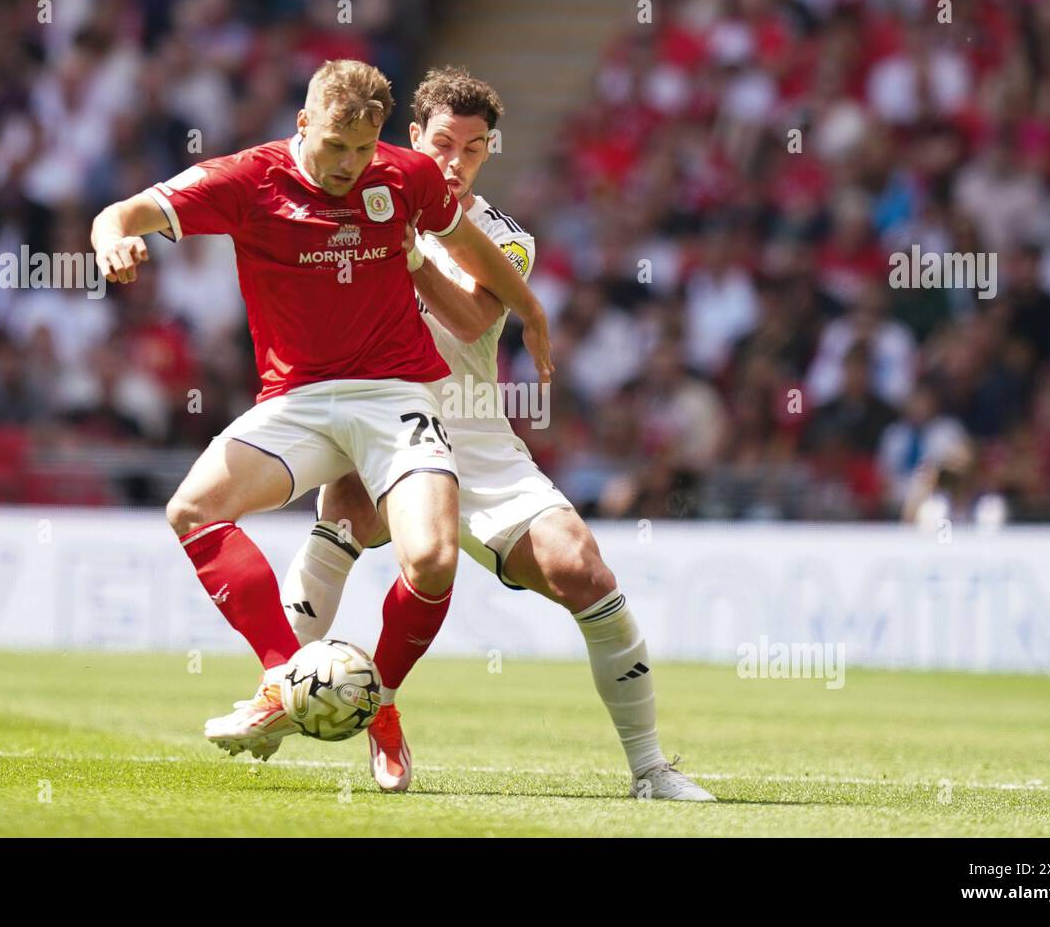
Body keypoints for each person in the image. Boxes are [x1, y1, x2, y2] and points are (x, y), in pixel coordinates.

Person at [89, 60, 552, 761]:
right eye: (336, 146)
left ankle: (384, 705)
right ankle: (283, 678)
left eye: (363, 149)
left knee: (432, 559)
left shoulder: (404, 176)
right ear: (304, 123)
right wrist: (111, 242)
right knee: (192, 509)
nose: (349, 165)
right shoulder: (247, 178)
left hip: (395, 393)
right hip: (298, 400)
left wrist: (534, 314)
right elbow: (122, 213)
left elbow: (475, 251)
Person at [272, 67, 712, 800]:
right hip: (379, 424)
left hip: (474, 441)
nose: (454, 160)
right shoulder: (352, 204)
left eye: (472, 150)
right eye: (442, 142)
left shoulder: (505, 238)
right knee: (345, 510)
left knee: (586, 573)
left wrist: (407, 252)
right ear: (412, 138)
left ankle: (650, 770)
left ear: (488, 153)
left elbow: (472, 320)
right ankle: (281, 695)